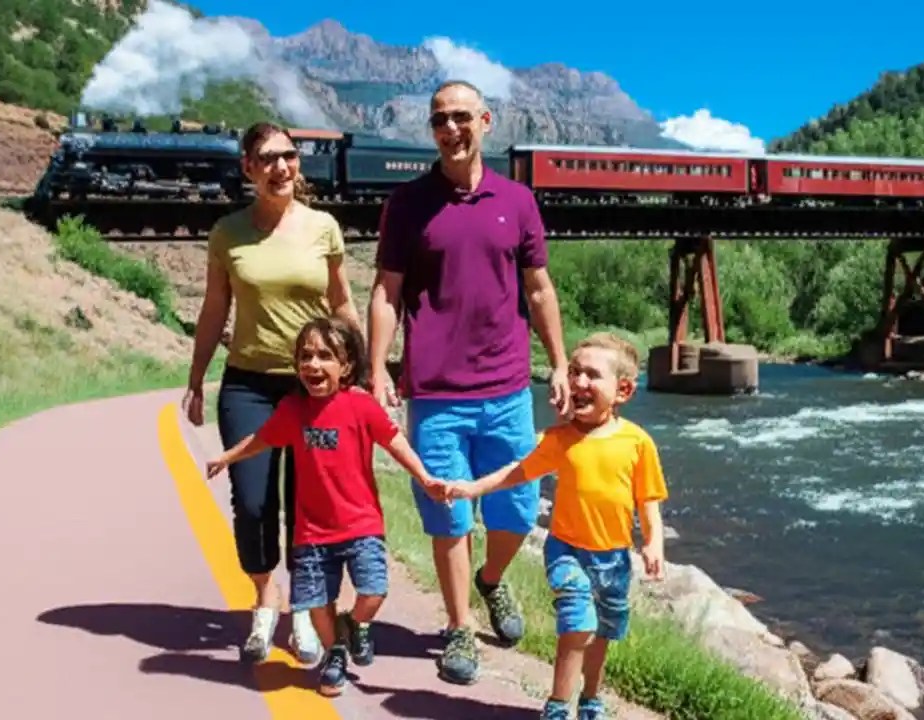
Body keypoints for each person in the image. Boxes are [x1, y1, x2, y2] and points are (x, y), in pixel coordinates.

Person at [368, 79, 571, 685]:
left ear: (486, 121)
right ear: (431, 130)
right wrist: (378, 369)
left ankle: (491, 580)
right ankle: (459, 626)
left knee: (516, 510)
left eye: (461, 117)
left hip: (508, 388)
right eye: (439, 120)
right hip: (435, 394)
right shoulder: (406, 204)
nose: (450, 129)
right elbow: (386, 292)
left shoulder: (519, 200)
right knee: (449, 517)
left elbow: (539, 289)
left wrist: (558, 362)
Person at [184, 121, 361, 666]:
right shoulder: (228, 233)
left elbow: (342, 304)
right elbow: (216, 309)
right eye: (267, 158)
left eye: (288, 155)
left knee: (308, 505)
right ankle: (266, 597)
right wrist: (195, 380)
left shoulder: (323, 227)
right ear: (248, 168)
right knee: (254, 500)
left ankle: (304, 612)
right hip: (248, 384)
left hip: (313, 389)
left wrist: (363, 373)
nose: (280, 167)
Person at [204, 317, 448, 695]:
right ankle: (335, 654)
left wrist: (424, 477)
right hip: (313, 532)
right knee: (317, 602)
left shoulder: (360, 406)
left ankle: (352, 625)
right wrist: (228, 457)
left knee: (374, 590)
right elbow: (262, 440)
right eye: (305, 356)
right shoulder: (293, 409)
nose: (313, 365)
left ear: (346, 365)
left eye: (325, 356)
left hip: (361, 524)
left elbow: (395, 441)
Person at [440, 333, 668, 720]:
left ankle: (591, 699)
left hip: (613, 559)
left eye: (592, 375)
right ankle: (558, 706)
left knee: (601, 636)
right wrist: (471, 488)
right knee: (578, 626)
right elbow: (517, 472)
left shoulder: (637, 443)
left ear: (623, 391)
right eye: (574, 371)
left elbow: (648, 501)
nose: (579, 382)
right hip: (567, 551)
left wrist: (654, 543)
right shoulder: (558, 440)